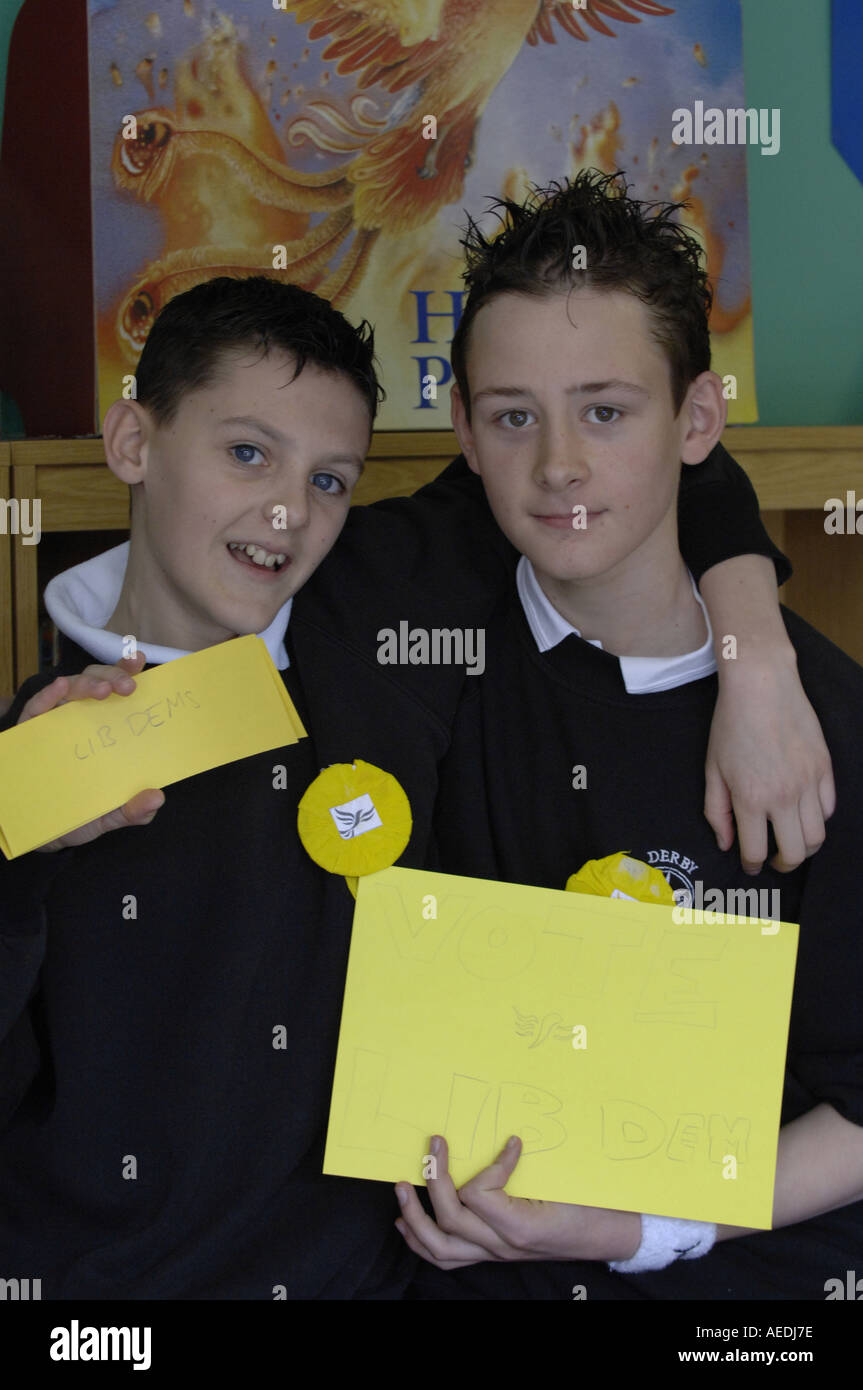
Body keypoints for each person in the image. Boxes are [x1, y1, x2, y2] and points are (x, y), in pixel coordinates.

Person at [0, 266, 833, 1300]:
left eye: (330, 479)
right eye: (245, 451)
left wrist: (755, 655)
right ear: (133, 443)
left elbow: (656, 457)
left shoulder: (371, 595)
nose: (285, 510)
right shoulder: (47, 747)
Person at [392, 172, 863, 1300]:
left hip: (747, 1274)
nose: (557, 463)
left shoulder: (821, 721)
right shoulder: (408, 639)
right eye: (514, 416)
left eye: (605, 411)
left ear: (696, 419)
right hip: (467, 1259)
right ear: (462, 427)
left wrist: (635, 1227)